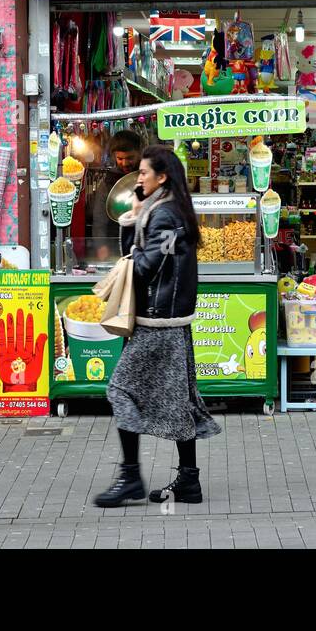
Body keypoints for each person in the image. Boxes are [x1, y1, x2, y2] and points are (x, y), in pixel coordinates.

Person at [92, 146, 221, 508]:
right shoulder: (168, 209)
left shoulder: (165, 216)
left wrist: (132, 227)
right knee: (179, 399)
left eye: (145, 173)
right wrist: (135, 215)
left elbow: (146, 266)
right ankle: (189, 481)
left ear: (162, 177)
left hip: (158, 321)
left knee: (121, 390)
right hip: (168, 320)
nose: (139, 179)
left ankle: (130, 476)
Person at [87, 129, 143, 261]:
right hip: (116, 242)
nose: (124, 163)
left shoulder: (147, 175)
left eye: (130, 158)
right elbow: (99, 219)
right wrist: (101, 246)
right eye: (120, 158)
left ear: (139, 153)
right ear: (113, 156)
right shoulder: (108, 181)